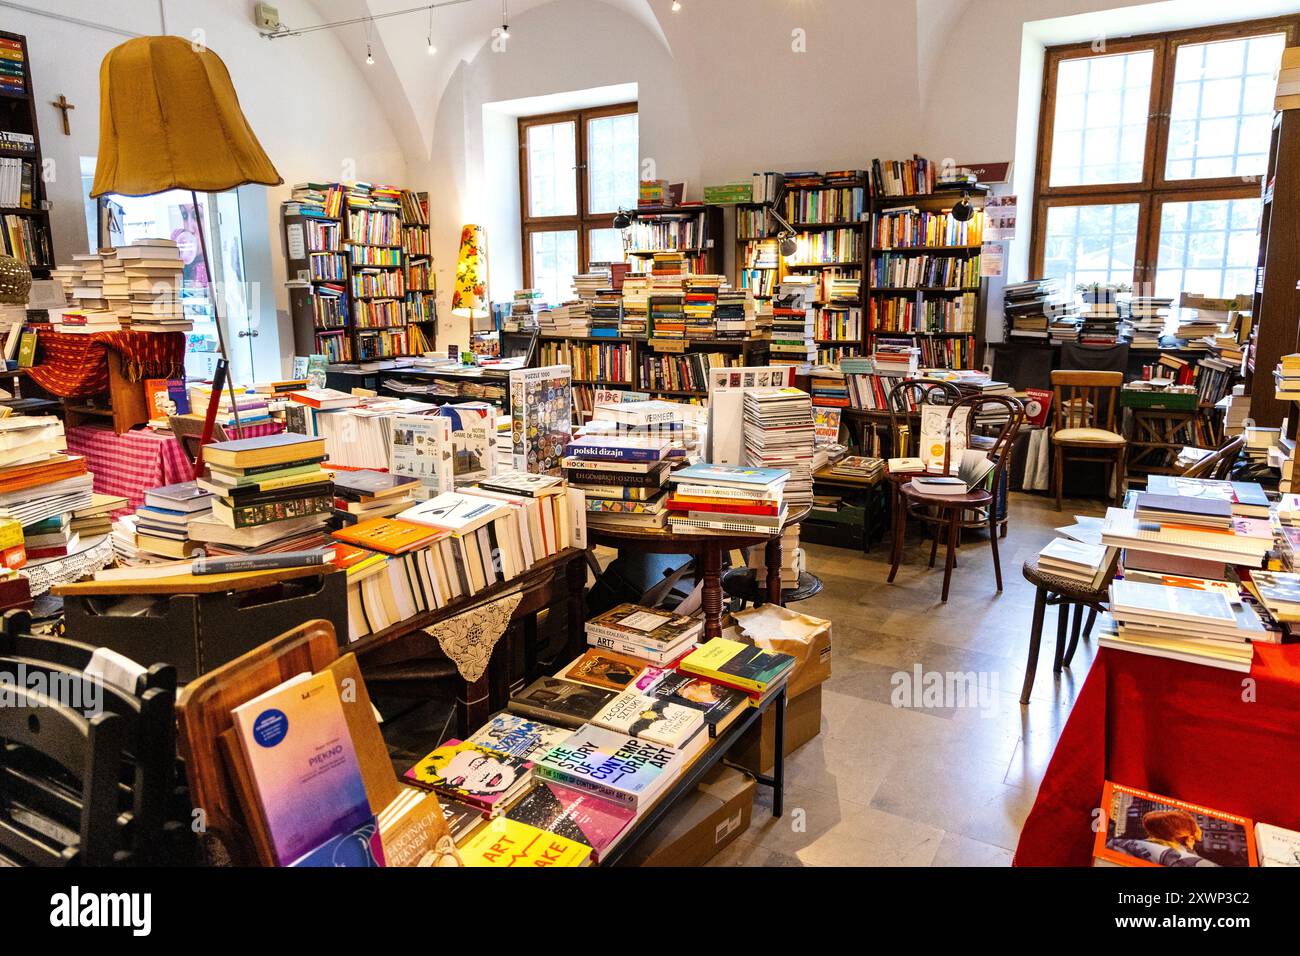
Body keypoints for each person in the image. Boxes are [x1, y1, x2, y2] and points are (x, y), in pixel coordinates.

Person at [1108, 809, 1220, 867]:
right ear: (1189, 839)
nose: (1193, 843)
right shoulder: (1186, 860)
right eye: (1194, 839)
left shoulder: (1117, 844)